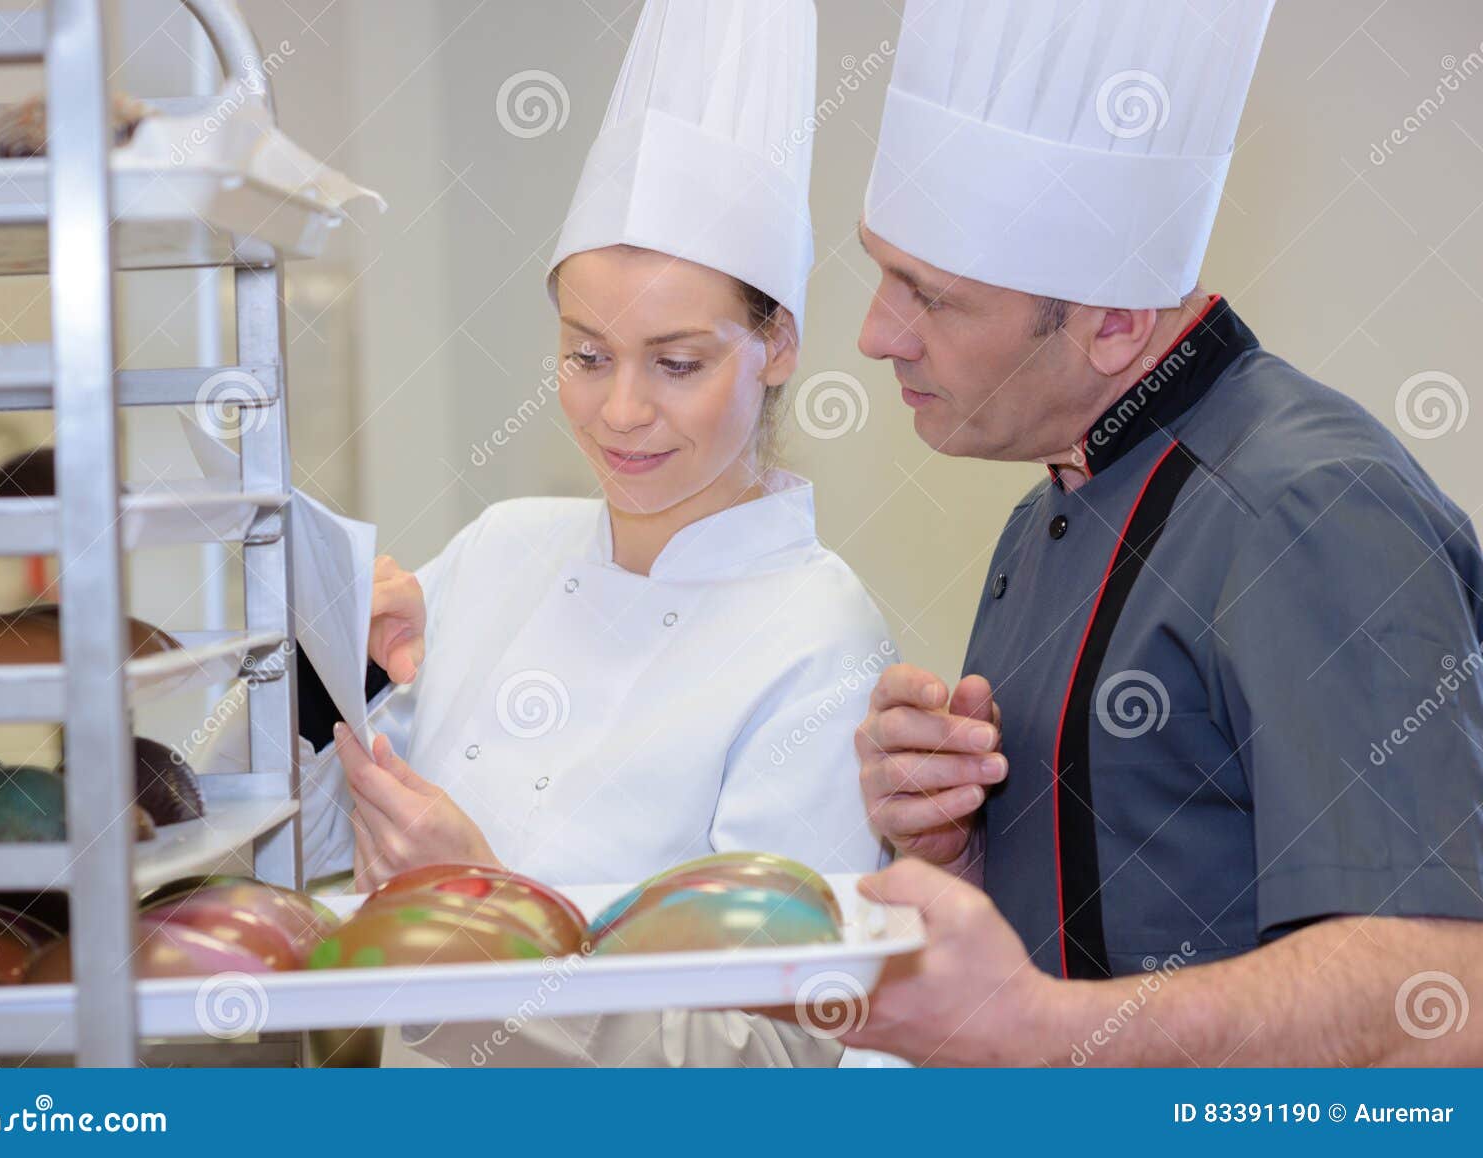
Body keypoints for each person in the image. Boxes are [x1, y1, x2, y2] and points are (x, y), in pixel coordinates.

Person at [834, 0, 1483, 1065]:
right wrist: (953, 854)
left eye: (931, 298)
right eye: (880, 270)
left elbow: (1441, 989)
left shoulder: (1308, 507)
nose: (875, 334)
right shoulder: (1051, 505)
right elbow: (1095, 935)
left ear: (1117, 324)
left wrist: (1037, 1033)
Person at [295, 0, 891, 1067]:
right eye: (585, 356)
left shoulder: (821, 643)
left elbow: (774, 1056)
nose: (619, 411)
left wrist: (485, 917)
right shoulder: (503, 549)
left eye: (677, 363)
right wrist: (330, 673)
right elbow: (308, 859)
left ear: (778, 347)